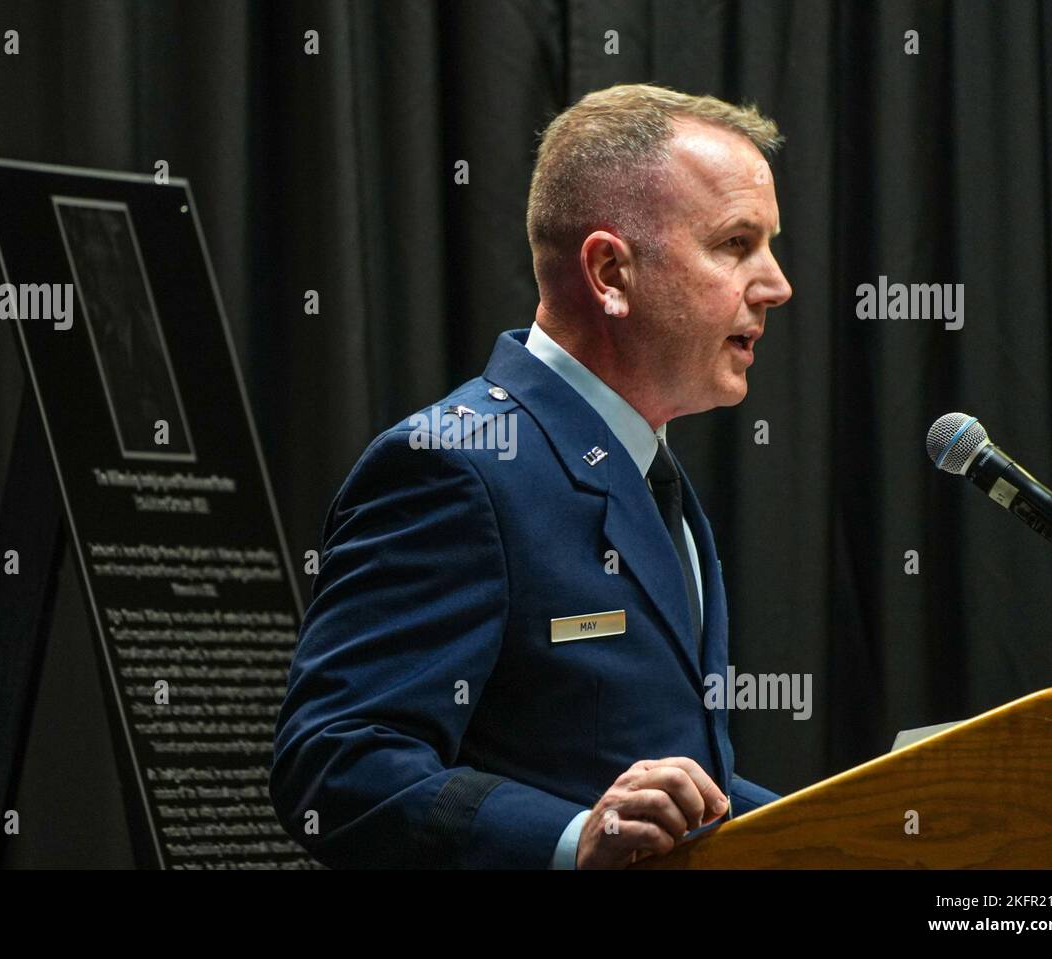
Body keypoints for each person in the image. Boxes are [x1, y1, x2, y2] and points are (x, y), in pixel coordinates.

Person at [270, 83, 794, 869]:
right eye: (735, 244)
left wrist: (851, 824)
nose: (776, 283)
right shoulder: (456, 465)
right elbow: (333, 758)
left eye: (770, 243)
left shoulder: (649, 469)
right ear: (610, 272)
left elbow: (669, 780)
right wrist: (567, 839)